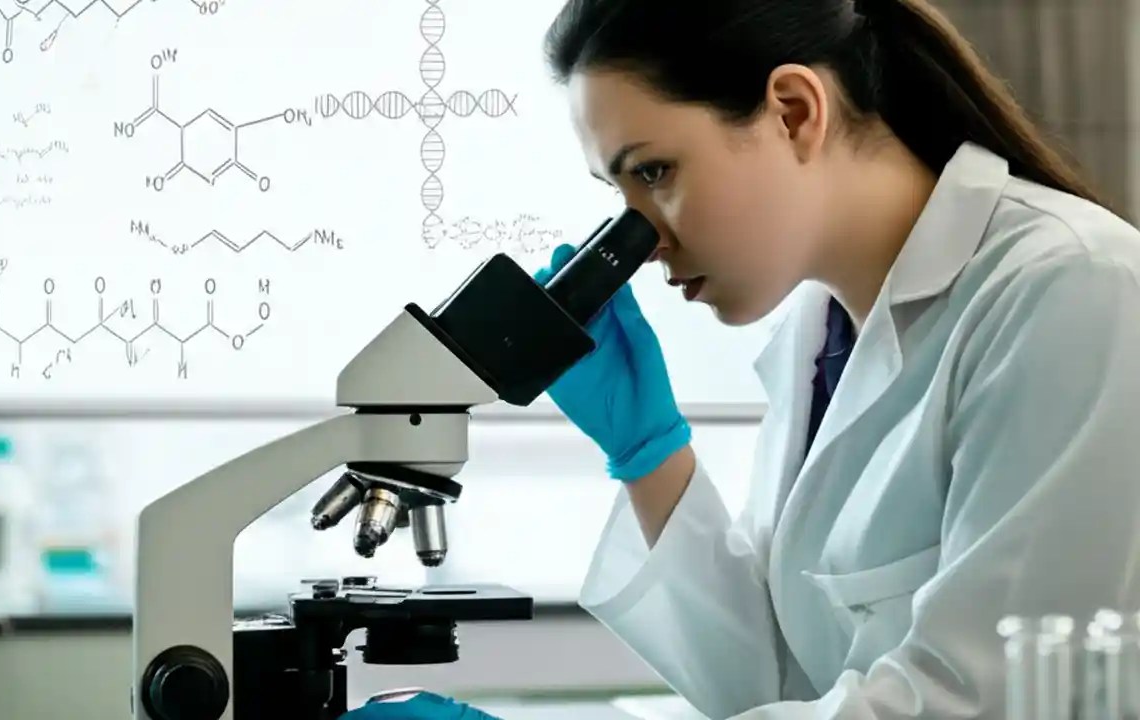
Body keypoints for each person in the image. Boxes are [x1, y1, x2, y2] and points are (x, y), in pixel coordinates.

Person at [342, 0, 1140, 717]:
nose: (643, 239)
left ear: (794, 112)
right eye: (619, 193)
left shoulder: (1073, 290)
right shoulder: (817, 334)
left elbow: (983, 702)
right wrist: (647, 454)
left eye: (656, 172)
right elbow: (770, 683)